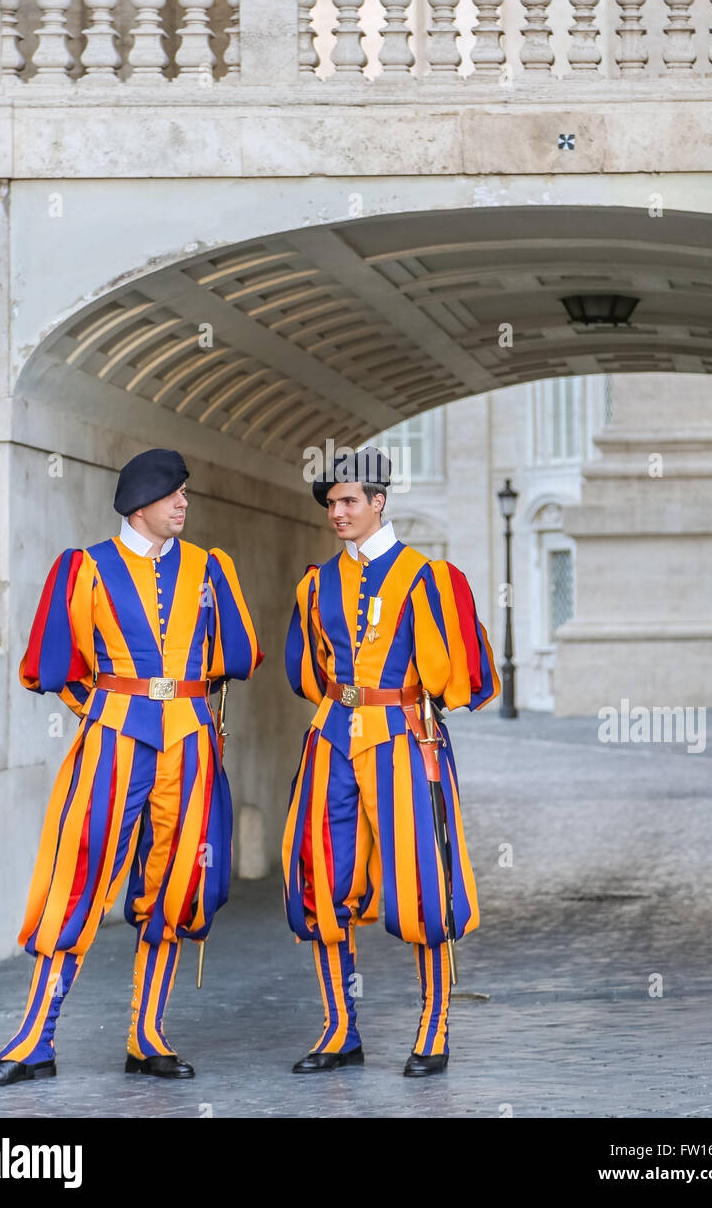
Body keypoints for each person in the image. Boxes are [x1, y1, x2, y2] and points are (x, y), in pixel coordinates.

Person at [0, 448, 262, 1087]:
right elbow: (51, 666)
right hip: (112, 741)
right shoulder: (85, 568)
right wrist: (101, 711)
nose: (184, 504)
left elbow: (239, 654)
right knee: (77, 875)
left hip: (188, 742)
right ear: (139, 504)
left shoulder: (213, 568)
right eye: (173, 495)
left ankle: (147, 1033)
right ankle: (32, 1041)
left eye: (186, 494)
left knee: (174, 883)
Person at [282, 445, 499, 1078]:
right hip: (333, 738)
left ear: (380, 502)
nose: (338, 513)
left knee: (423, 885)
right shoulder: (316, 583)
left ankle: (434, 1030)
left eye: (350, 501)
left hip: (405, 738)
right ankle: (339, 1029)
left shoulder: (429, 577)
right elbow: (306, 672)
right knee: (324, 879)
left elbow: (472, 680)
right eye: (332, 503)